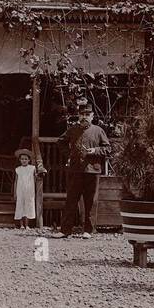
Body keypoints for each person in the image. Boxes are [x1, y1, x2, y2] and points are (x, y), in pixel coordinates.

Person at [58, 98, 113, 239]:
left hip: (92, 170)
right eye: (82, 114)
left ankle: (88, 230)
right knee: (71, 200)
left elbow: (107, 149)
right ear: (79, 115)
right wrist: (69, 154)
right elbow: (61, 142)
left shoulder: (98, 131)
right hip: (75, 170)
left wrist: (95, 151)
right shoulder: (72, 130)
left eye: (87, 114)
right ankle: (65, 230)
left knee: (90, 201)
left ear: (92, 116)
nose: (84, 117)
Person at [12, 149, 43, 229]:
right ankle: (21, 224)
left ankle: (27, 225)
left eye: (26, 159)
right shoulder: (18, 169)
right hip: (20, 190)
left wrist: (40, 173)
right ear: (20, 160)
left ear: (29, 160)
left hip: (29, 190)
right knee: (20, 206)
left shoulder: (32, 168)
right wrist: (15, 192)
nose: (24, 161)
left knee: (28, 206)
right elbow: (16, 181)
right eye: (22, 159)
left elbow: (35, 177)